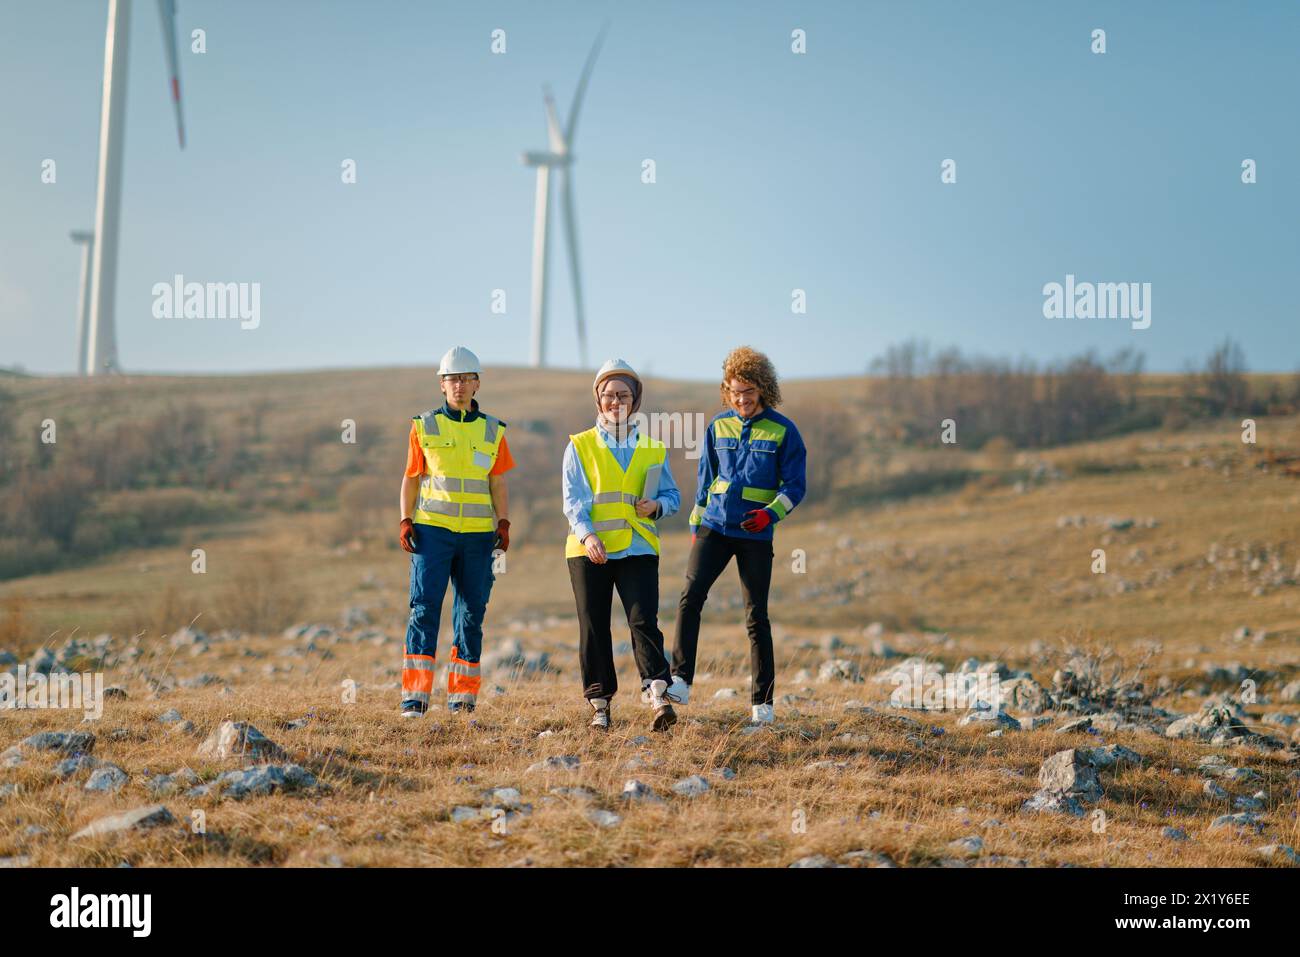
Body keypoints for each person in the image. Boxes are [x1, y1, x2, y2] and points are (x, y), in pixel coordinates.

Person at [670, 345, 806, 724]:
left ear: (763, 389)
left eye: (748, 392)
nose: (741, 399)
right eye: (734, 392)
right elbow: (704, 483)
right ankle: (680, 679)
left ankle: (762, 705)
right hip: (714, 527)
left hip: (755, 535)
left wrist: (769, 515)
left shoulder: (784, 431)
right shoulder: (717, 426)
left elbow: (795, 486)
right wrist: (697, 529)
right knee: (689, 598)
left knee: (755, 617)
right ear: (726, 392)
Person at [563, 359, 682, 731]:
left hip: (638, 547)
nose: (616, 401)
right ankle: (600, 706)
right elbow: (573, 501)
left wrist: (658, 505)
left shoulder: (652, 448)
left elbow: (673, 494)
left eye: (624, 395)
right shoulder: (579, 446)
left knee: (644, 621)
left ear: (635, 401)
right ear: (598, 399)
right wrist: (588, 536)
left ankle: (658, 694)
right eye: (609, 394)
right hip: (591, 550)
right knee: (594, 626)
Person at [397, 346, 514, 718]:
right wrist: (405, 519)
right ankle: (414, 698)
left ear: (477, 384)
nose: (458, 386)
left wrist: (504, 522)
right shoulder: (424, 426)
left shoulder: (493, 430)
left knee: (471, 613)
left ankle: (462, 698)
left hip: (479, 537)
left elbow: (498, 481)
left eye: (465, 379)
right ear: (442, 385)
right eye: (451, 380)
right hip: (432, 533)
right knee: (424, 608)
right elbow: (411, 478)